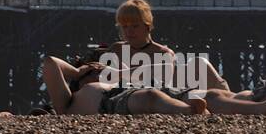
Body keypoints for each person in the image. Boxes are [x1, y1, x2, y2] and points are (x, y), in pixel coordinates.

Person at [40, 55, 209, 115]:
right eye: (92, 72)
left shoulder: (119, 78)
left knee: (205, 94)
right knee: (150, 96)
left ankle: (201, 110)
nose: (99, 74)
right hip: (114, 100)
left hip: (139, 88)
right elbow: (50, 63)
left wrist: (118, 73)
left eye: (101, 70)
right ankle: (188, 111)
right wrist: (77, 72)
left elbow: (166, 68)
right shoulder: (68, 102)